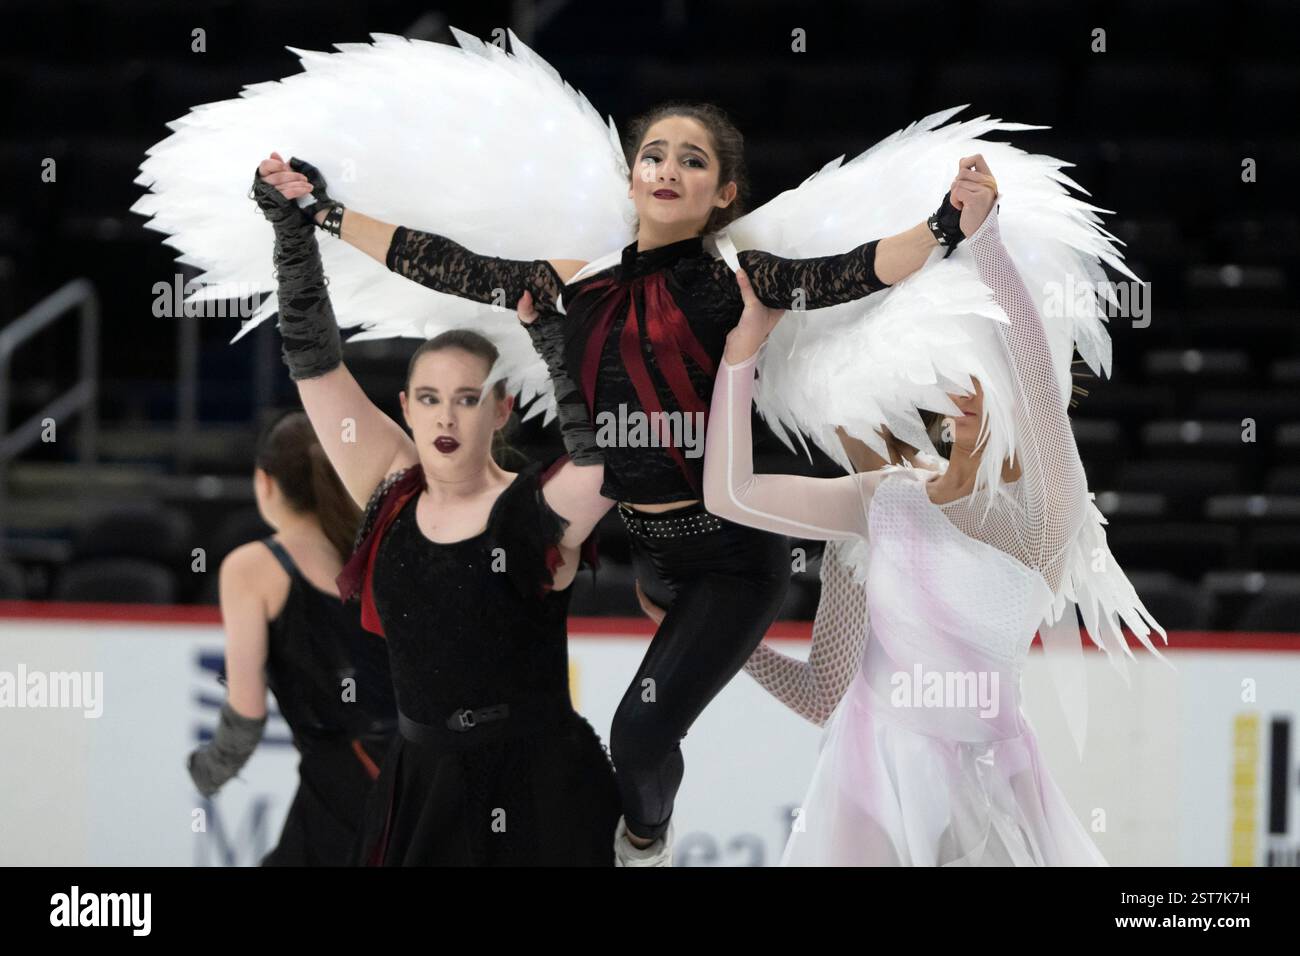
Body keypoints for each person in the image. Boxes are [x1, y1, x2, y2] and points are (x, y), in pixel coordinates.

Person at [271, 101, 960, 862]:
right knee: (641, 720)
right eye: (654, 155)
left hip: (734, 561)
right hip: (652, 558)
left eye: (693, 161)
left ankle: (644, 839)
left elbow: (851, 271)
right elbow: (442, 261)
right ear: (631, 180)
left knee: (639, 733)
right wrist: (324, 215)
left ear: (724, 193)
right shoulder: (578, 284)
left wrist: (944, 227)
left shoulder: (736, 280)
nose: (669, 169)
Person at [701, 156, 1163, 865]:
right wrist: (740, 357)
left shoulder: (1048, 516)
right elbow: (732, 495)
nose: (973, 389)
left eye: (989, 368)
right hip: (869, 776)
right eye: (958, 368)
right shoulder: (884, 501)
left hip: (989, 784)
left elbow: (1038, 385)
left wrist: (986, 242)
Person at [249, 159, 622, 865]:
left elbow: (605, 459)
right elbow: (314, 364)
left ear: (503, 407)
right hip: (420, 784)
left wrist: (549, 342)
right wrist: (291, 235)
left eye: (467, 397)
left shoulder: (534, 507)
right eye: (428, 398)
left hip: (538, 782)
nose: (445, 415)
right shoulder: (390, 486)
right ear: (406, 409)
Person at [188, 411, 396, 866]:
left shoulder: (252, 567)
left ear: (265, 482)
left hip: (346, 781)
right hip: (416, 773)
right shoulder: (379, 552)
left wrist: (208, 770)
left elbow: (246, 712)